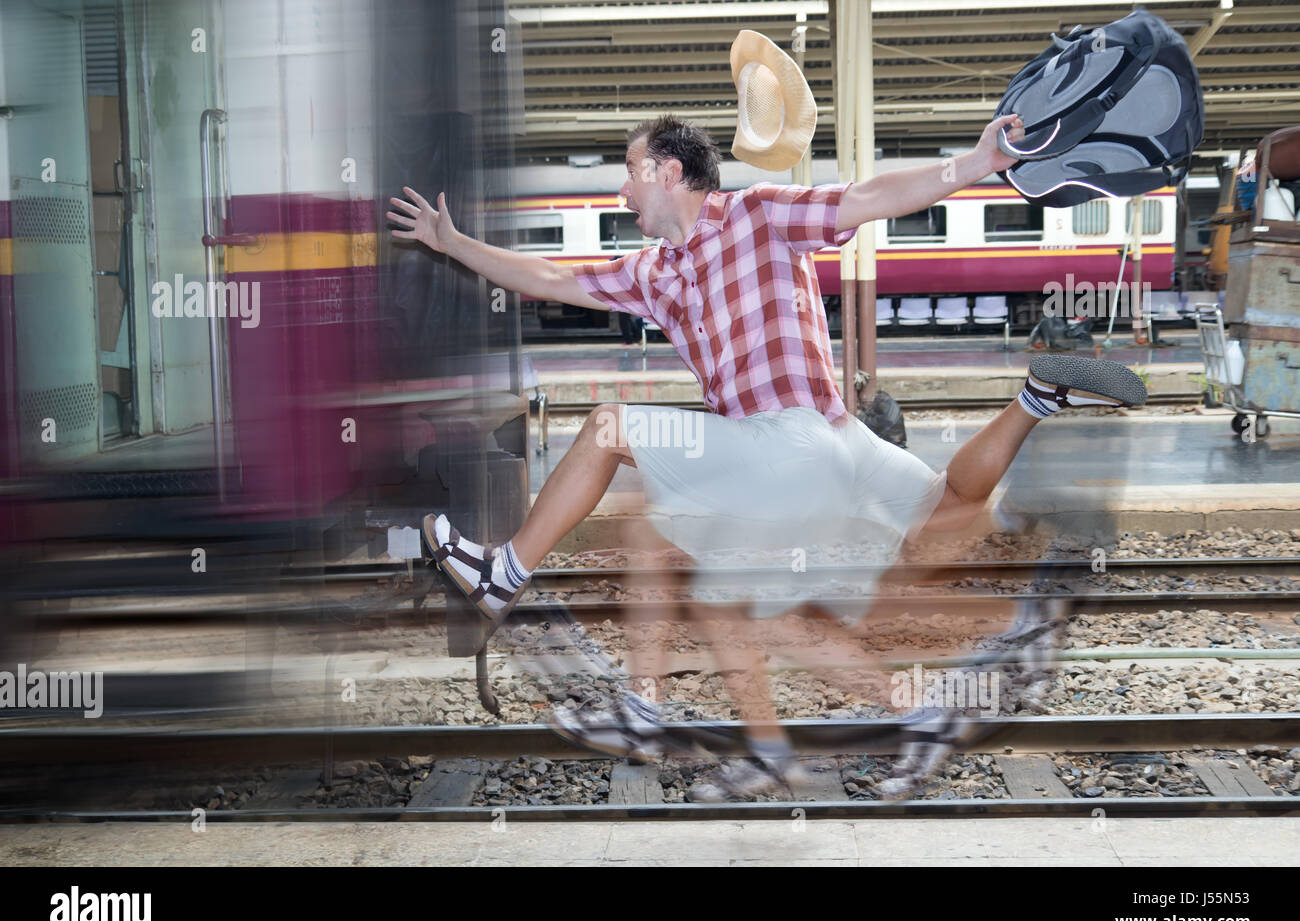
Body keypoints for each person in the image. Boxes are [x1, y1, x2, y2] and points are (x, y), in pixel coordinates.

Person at [387, 113, 1146, 798]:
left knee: (611, 434)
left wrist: (977, 162)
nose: (622, 190)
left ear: (669, 173)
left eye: (629, 170)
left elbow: (870, 197)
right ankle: (1036, 400)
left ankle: (505, 576)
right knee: (949, 504)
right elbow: (551, 275)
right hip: (839, 442)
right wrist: (452, 243)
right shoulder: (655, 276)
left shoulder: (757, 213)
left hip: (788, 444)